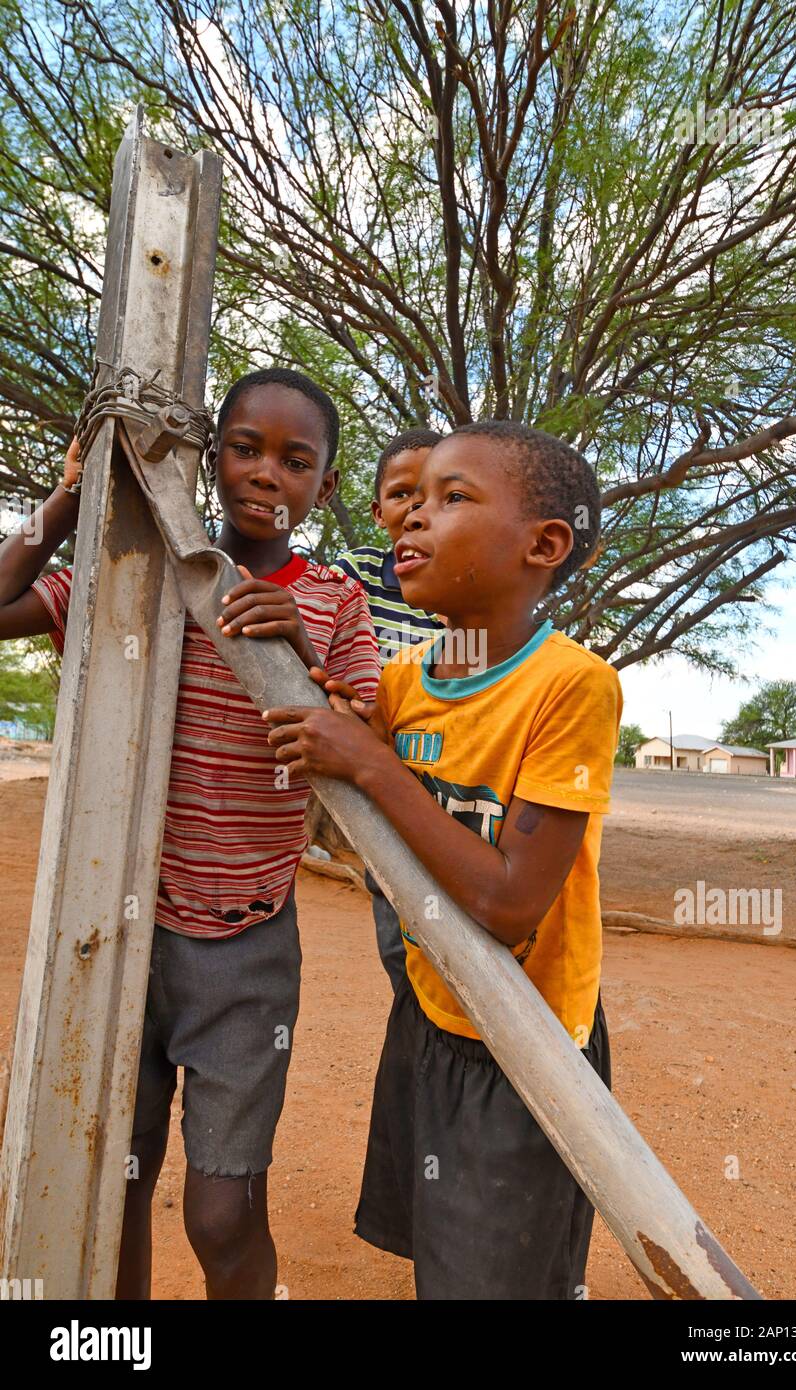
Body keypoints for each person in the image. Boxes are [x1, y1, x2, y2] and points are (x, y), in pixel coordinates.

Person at [0, 367, 379, 1299]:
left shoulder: (333, 602)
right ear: (211, 458)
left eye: (295, 462)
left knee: (221, 1208)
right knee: (114, 1182)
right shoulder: (134, 562)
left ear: (323, 487)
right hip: (118, 932)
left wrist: (294, 642)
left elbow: (367, 740)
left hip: (247, 946)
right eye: (245, 449)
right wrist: (65, 501)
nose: (265, 474)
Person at [262, 420, 623, 1300]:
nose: (410, 522)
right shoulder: (405, 681)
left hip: (525, 1038)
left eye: (451, 499)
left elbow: (508, 907)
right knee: (446, 1257)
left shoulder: (572, 685)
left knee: (495, 1275)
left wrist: (375, 763)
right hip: (432, 1016)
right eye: (410, 502)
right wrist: (305, 663)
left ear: (544, 544)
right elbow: (371, 813)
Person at [332, 428, 444, 991]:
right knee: (399, 932)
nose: (420, 508)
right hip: (381, 787)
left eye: (442, 494)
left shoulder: (460, 593)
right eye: (404, 494)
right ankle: (415, 1020)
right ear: (378, 512)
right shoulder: (354, 577)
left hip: (448, 784)